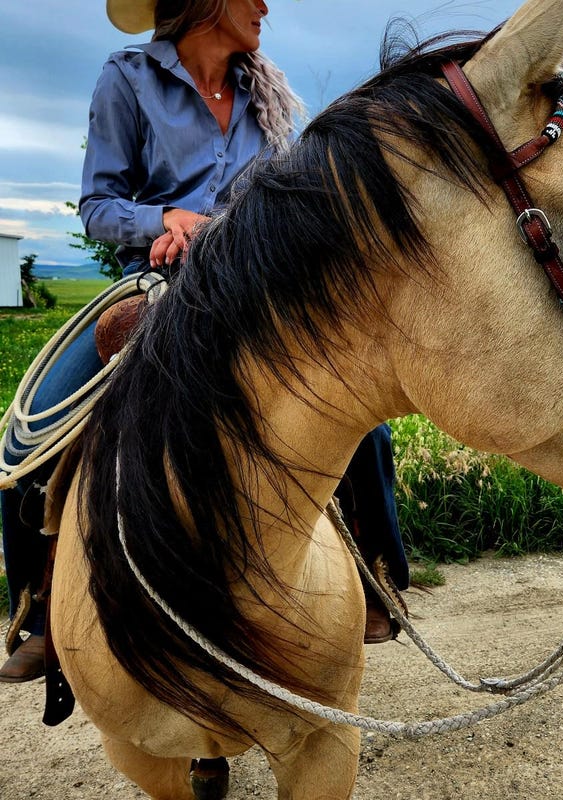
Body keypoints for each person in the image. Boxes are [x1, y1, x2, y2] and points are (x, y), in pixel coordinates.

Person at [0, 0, 408, 684]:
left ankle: (376, 576)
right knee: (29, 436)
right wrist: (166, 218)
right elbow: (97, 206)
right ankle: (41, 611)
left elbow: (282, 204)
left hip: (250, 285)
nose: (265, 6)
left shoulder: (266, 97)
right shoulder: (127, 80)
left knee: (362, 418)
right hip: (154, 284)